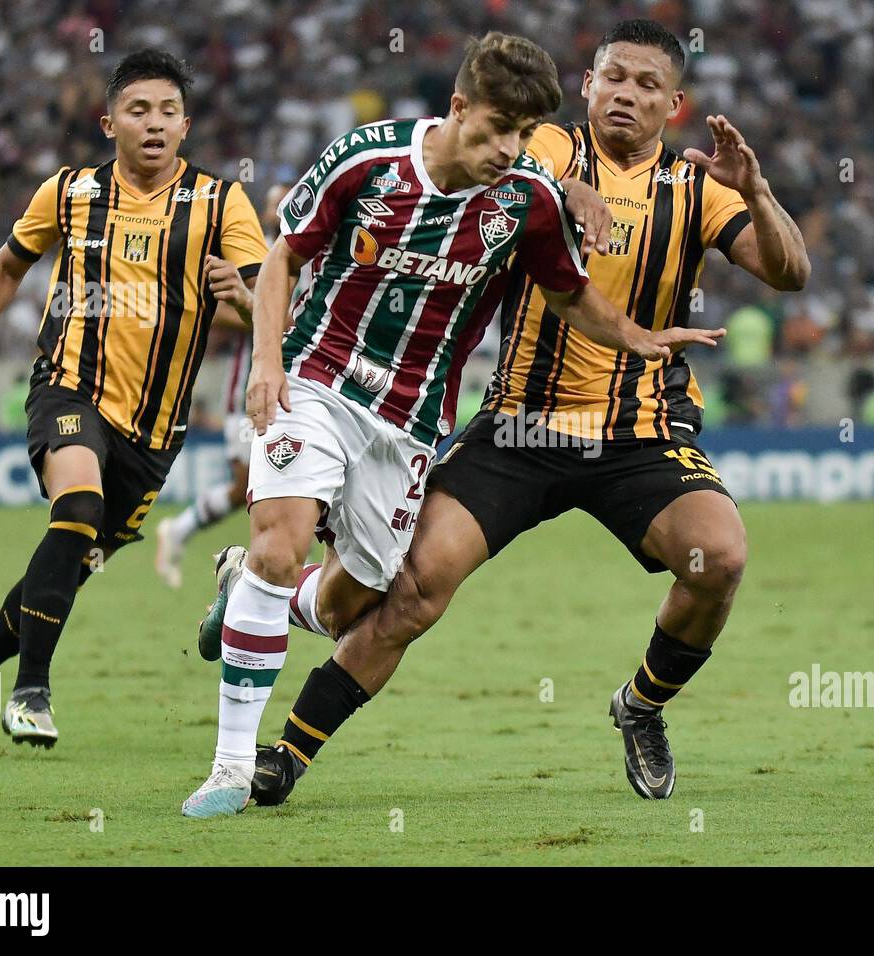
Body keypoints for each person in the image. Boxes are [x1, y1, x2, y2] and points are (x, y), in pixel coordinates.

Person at [235, 18, 809, 807]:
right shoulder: (534, 148)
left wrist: (759, 192)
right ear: (588, 85)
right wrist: (573, 188)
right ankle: (288, 753)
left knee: (722, 558)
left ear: (673, 104)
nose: (626, 96)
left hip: (636, 429)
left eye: (647, 86)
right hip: (518, 426)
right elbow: (512, 170)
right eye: (614, 77)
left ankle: (640, 705)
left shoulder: (698, 186)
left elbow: (789, 274)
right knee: (410, 594)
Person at [0, 49, 269, 750]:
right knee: (75, 507)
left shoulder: (221, 202)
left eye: (168, 112)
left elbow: (268, 309)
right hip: (68, 387)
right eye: (138, 110)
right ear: (108, 122)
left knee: (66, 568)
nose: (154, 124)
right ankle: (31, 696)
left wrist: (246, 299)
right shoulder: (71, 191)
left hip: (154, 430)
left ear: (186, 124)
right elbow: (5, 267)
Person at [153, 182, 289, 588]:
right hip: (250, 385)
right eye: (273, 204)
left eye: (286, 203)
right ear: (264, 214)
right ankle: (251, 574)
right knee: (247, 487)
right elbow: (211, 315)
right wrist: (261, 312)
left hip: (302, 384)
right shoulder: (253, 257)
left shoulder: (313, 254)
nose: (280, 212)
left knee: (263, 488)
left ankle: (259, 571)